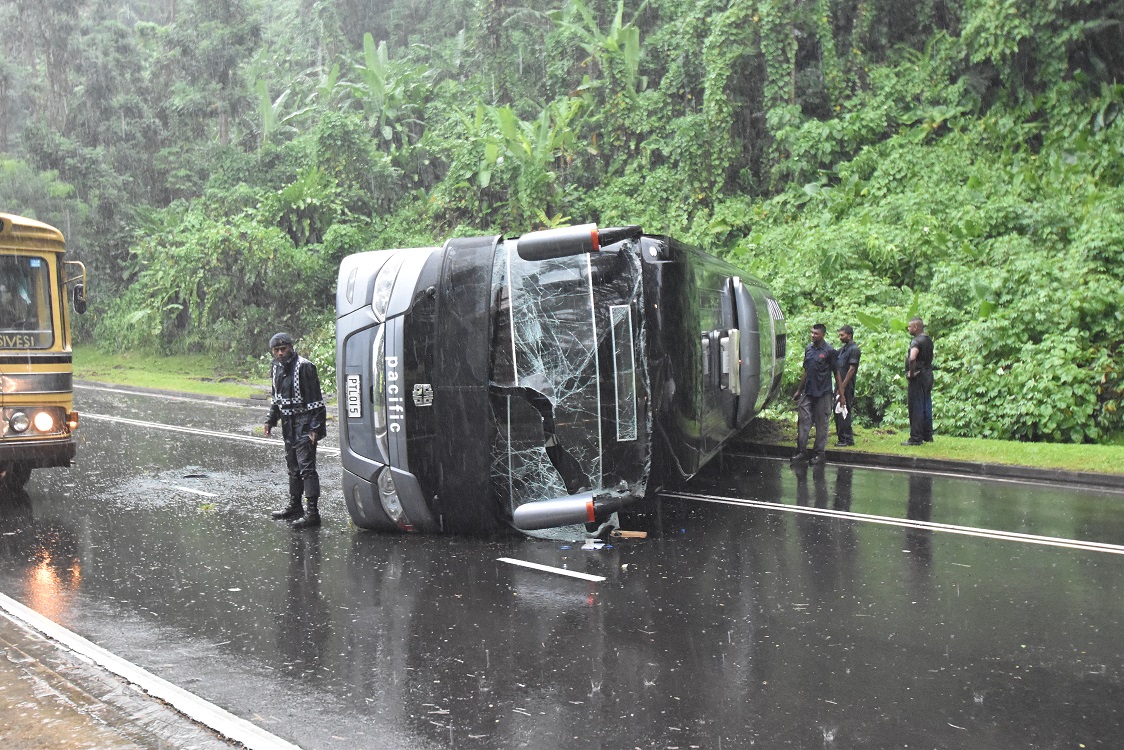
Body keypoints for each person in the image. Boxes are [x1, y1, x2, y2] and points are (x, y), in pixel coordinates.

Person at [264, 333, 327, 528]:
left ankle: (312, 513)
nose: (281, 353)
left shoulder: (305, 366)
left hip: (305, 423)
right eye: (276, 350)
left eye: (283, 349)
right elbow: (276, 399)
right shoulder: (275, 368)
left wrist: (315, 428)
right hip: (288, 424)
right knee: (293, 468)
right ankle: (295, 506)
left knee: (307, 468)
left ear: (291, 347)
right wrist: (270, 420)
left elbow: (317, 401)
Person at [791, 323, 837, 464]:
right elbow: (807, 370)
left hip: (823, 393)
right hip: (808, 391)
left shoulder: (829, 351)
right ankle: (801, 451)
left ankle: (819, 453)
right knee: (803, 420)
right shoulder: (808, 349)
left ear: (823, 335)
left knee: (822, 423)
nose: (812, 335)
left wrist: (841, 394)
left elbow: (837, 372)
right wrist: (799, 390)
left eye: (816, 334)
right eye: (811, 333)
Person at [902, 317, 934, 446]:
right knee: (926, 405)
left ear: (915, 328)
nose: (908, 329)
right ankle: (927, 434)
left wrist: (911, 372)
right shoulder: (928, 340)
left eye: (909, 327)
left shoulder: (916, 341)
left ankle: (916, 438)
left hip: (918, 376)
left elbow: (912, 357)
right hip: (928, 374)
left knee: (916, 407)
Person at [834, 325, 860, 447]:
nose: (840, 337)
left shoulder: (854, 349)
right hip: (839, 384)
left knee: (844, 409)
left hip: (846, 385)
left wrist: (842, 387)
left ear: (849, 335)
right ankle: (842, 437)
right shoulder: (843, 349)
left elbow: (851, 370)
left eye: (842, 335)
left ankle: (846, 438)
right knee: (838, 410)